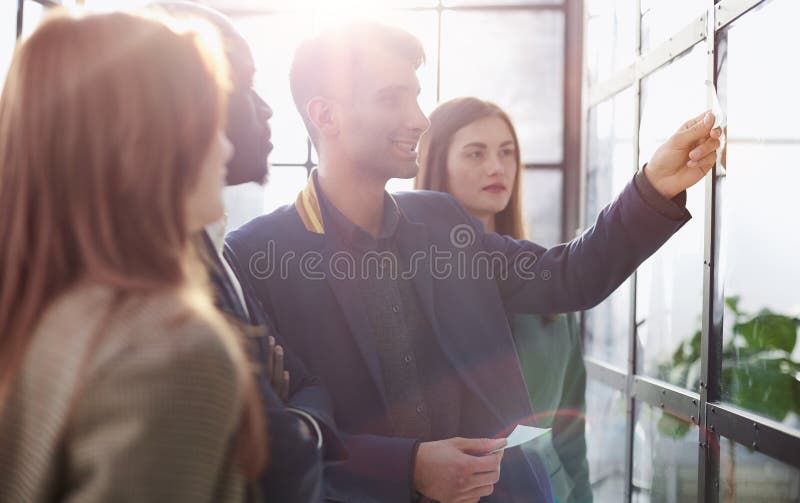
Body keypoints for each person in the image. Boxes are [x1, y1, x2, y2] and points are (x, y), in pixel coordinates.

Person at [226, 22, 721, 502]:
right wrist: (408, 467)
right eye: (391, 98)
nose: (419, 118)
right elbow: (274, 433)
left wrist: (653, 185)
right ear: (325, 115)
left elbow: (567, 276)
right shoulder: (257, 256)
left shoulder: (442, 221)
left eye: (415, 96)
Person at [0, 10, 265, 502]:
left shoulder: (39, 308)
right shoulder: (167, 349)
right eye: (210, 121)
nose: (226, 146)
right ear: (149, 144)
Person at [153, 3, 347, 501]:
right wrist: (291, 425)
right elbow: (283, 462)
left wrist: (285, 416)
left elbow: (306, 382)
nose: (266, 108)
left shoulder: (210, 242)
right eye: (243, 84)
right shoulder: (159, 281)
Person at [415, 96, 592, 503]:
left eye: (507, 152)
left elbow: (569, 431)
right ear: (437, 162)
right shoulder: (410, 283)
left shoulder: (549, 279)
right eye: (475, 153)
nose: (497, 167)